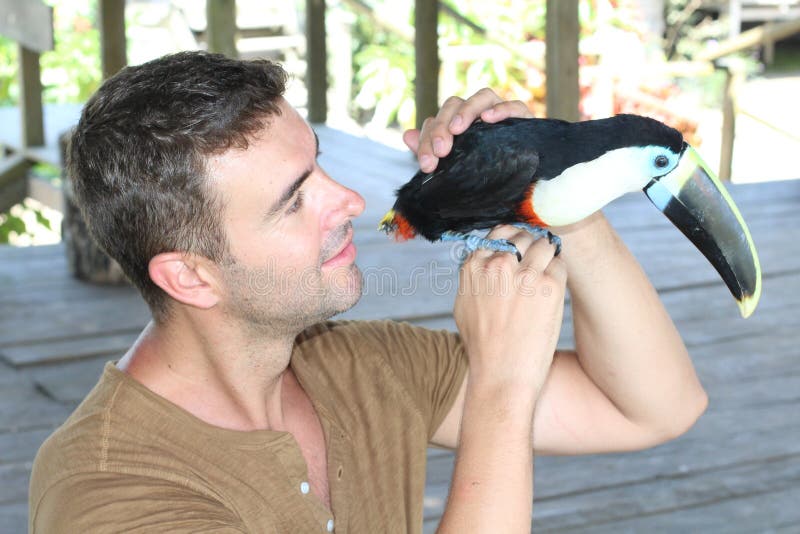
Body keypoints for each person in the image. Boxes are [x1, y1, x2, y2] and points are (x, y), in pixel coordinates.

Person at [29, 51, 707, 533]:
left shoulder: (355, 367)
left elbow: (655, 407)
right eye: (293, 203)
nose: (351, 200)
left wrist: (546, 183)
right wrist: (501, 387)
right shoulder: (110, 495)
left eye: (318, 163)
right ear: (189, 277)